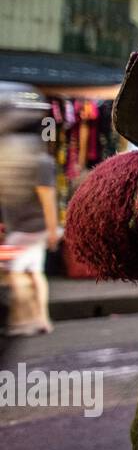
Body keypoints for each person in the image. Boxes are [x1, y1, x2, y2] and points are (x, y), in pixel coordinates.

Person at [0, 109, 59, 336]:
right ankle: (42, 319)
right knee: (35, 272)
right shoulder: (41, 159)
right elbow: (48, 198)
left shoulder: (17, 157)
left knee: (15, 274)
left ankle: (23, 320)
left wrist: (53, 230)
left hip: (24, 229)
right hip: (34, 228)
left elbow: (47, 197)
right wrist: (52, 230)